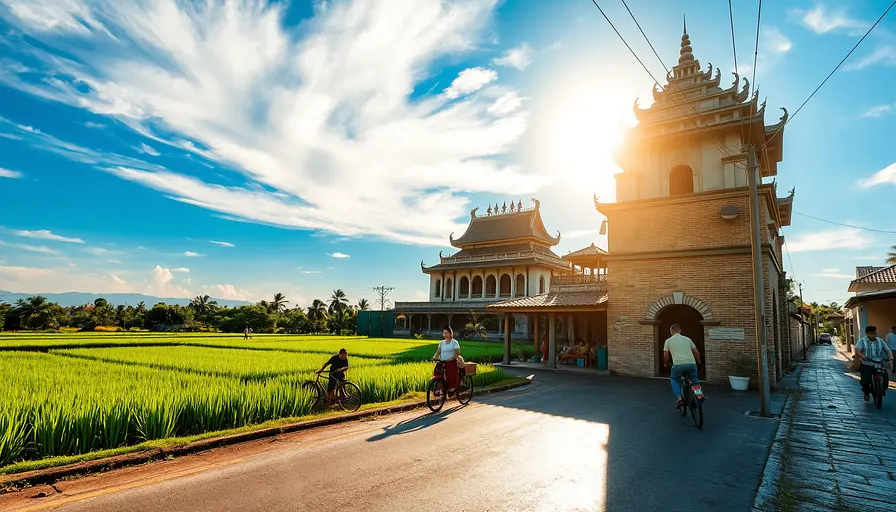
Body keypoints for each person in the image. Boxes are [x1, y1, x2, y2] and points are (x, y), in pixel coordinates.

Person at [663, 324, 703, 408]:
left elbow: (666, 356)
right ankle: (699, 395)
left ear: (671, 332)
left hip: (678, 365)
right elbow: (696, 352)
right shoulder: (687, 339)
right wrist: (698, 361)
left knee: (674, 379)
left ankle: (679, 398)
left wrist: (666, 364)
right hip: (691, 364)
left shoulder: (668, 341)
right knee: (694, 380)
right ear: (680, 331)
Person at [855, 326, 893, 401]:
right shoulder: (862, 341)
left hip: (879, 363)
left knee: (885, 375)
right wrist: (863, 356)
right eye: (871, 334)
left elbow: (887, 350)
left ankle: (881, 388)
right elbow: (857, 350)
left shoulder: (880, 341)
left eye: (874, 333)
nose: (873, 335)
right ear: (867, 334)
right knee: (865, 380)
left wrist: (890, 359)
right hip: (867, 363)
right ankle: (866, 392)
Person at [432, 326, 461, 394]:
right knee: (437, 371)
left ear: (451, 333)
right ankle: (439, 388)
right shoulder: (442, 343)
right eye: (443, 333)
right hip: (443, 361)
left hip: (451, 361)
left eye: (446, 333)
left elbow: (457, 353)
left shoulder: (454, 342)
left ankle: (452, 388)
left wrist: (451, 358)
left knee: (450, 374)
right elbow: (438, 351)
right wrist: (434, 357)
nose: (444, 335)